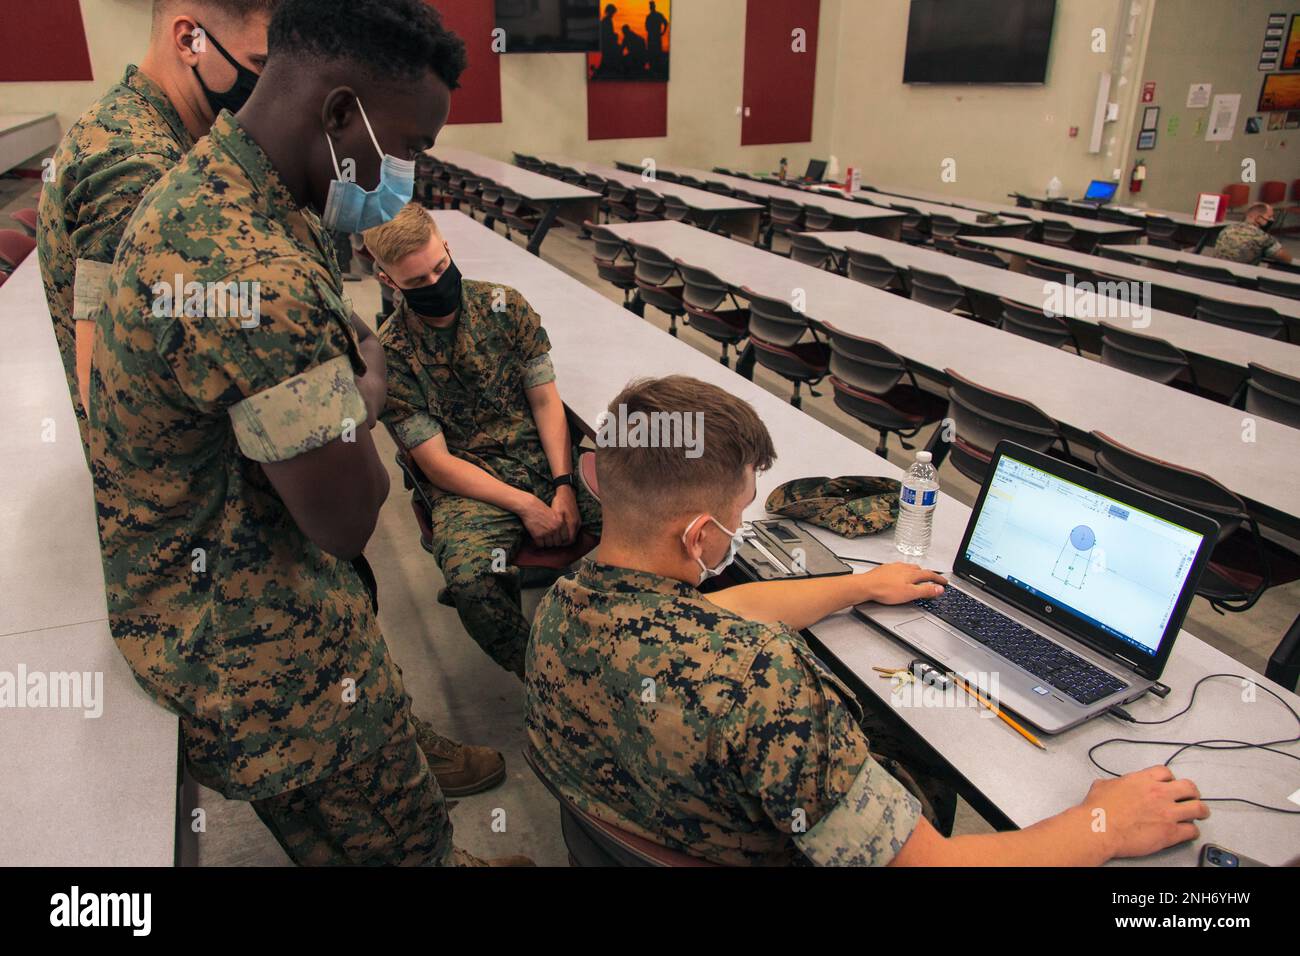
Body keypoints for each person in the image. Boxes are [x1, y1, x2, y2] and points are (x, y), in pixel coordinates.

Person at [90, 0, 524, 866]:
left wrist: (339, 391)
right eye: (409, 148)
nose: (410, 175)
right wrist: (365, 390)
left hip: (222, 572)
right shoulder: (247, 271)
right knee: (389, 834)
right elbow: (350, 517)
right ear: (337, 114)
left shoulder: (234, 182)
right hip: (259, 646)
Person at [525, 375, 1211, 866]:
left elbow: (714, 612)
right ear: (700, 535)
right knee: (923, 743)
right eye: (739, 514)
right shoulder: (764, 680)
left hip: (647, 830)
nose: (741, 526)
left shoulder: (564, 603)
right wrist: (1105, 825)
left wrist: (857, 586)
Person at [363, 203, 602, 681]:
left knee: (647, 521)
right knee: (472, 581)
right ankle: (547, 679)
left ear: (447, 248)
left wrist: (562, 485)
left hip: (545, 462)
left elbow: (544, 403)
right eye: (415, 282)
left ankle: (625, 645)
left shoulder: (505, 306)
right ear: (387, 281)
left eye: (440, 267)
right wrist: (526, 507)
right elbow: (438, 464)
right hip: (472, 487)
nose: (434, 285)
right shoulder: (392, 356)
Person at [37, 0, 275, 456]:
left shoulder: (167, 129)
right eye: (259, 64)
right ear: (191, 41)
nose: (270, 85)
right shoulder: (134, 165)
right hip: (185, 504)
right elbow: (108, 393)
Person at [1212, 202, 1294, 265]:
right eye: (1269, 217)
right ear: (1258, 218)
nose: (1272, 220)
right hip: (1239, 278)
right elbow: (1287, 259)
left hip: (1216, 273)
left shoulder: (1227, 228)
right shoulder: (1261, 236)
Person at [645, 1, 668, 78]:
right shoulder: (649, 16)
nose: (650, 7)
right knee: (651, 52)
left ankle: (656, 70)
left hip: (656, 36)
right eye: (650, 6)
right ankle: (653, 70)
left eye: (651, 6)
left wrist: (663, 32)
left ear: (653, 6)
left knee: (656, 52)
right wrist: (662, 32)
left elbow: (665, 23)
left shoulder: (657, 15)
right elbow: (646, 27)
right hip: (652, 37)